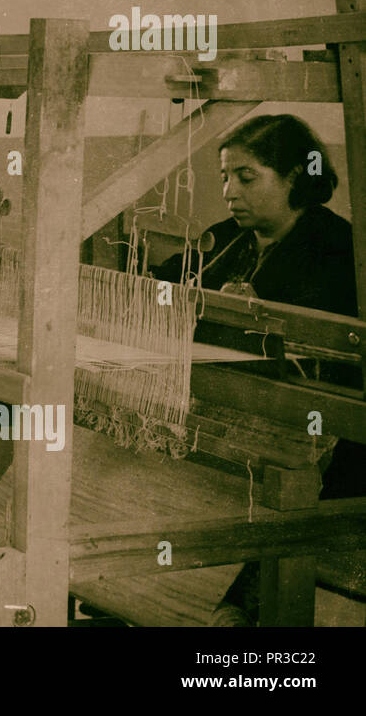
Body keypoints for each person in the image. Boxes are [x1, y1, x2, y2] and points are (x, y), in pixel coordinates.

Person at [154, 114, 363, 623]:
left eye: (247, 177)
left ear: (295, 177)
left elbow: (328, 344)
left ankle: (236, 608)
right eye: (225, 176)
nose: (229, 190)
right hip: (232, 408)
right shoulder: (227, 238)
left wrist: (257, 315)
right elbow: (159, 285)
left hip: (312, 428)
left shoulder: (338, 248)